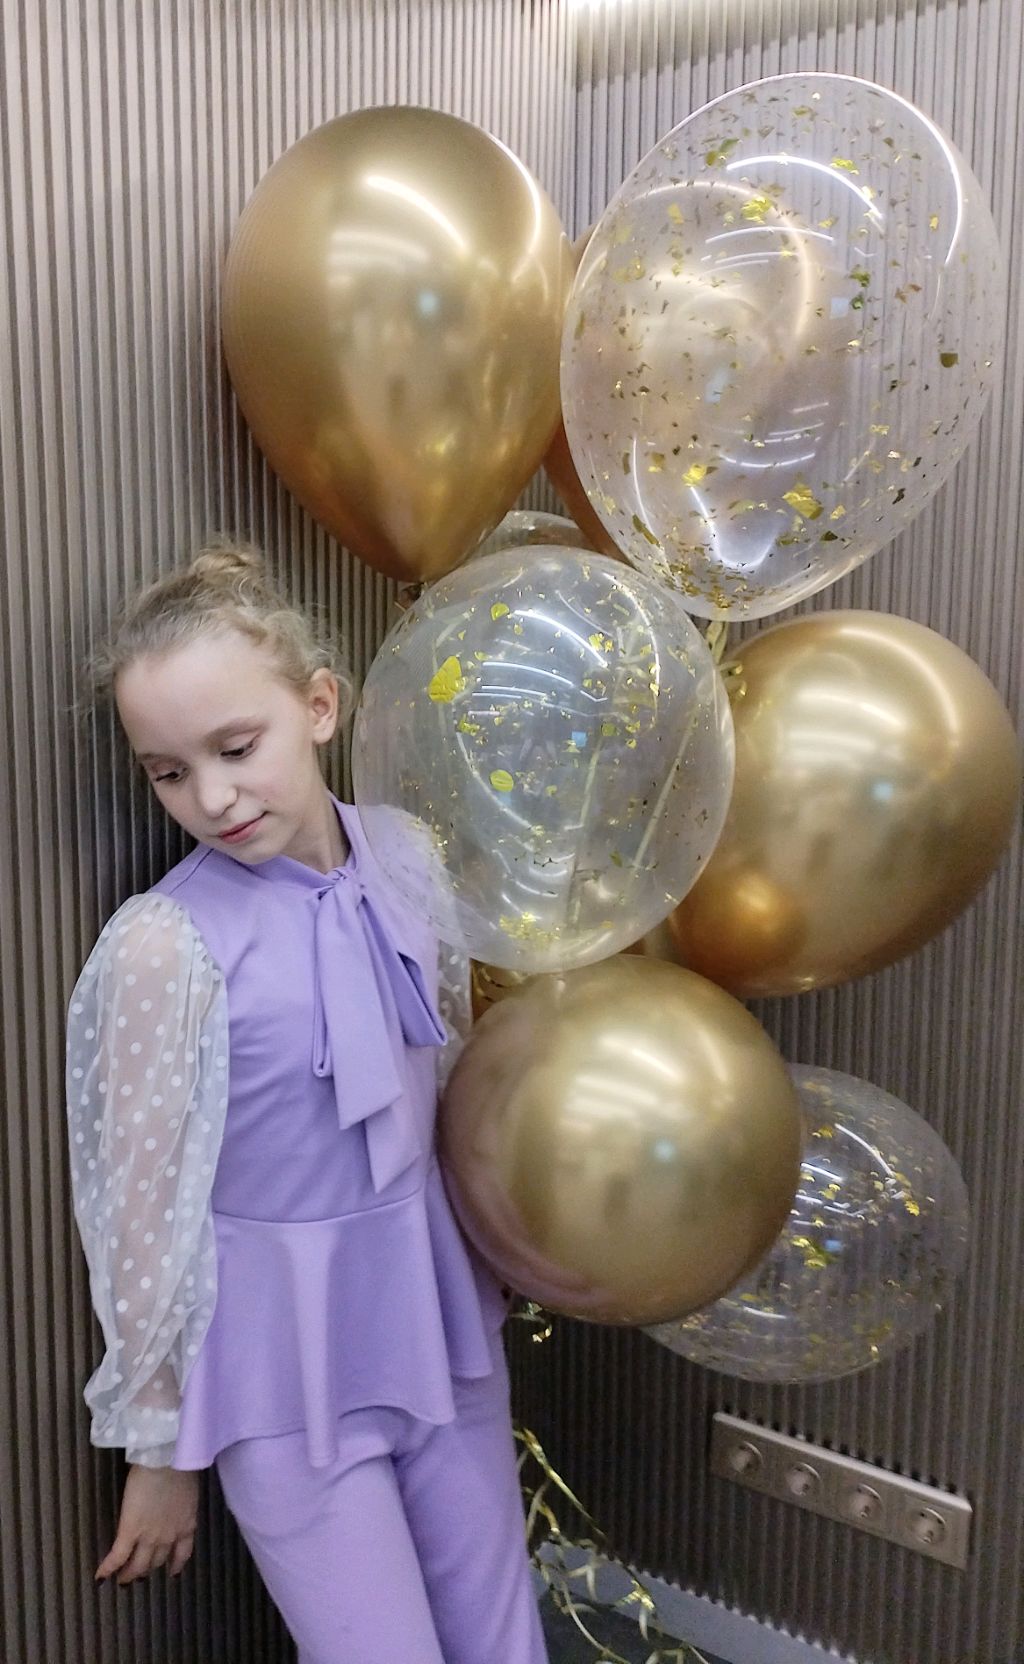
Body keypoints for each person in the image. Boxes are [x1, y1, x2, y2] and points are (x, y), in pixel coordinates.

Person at [66, 543, 549, 1664]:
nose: (212, 798)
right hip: (280, 1367)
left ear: (319, 706)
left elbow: (454, 1083)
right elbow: (139, 1220)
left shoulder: (408, 859)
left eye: (237, 748)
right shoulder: (163, 945)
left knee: (502, 1635)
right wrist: (159, 1449)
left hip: (436, 1319)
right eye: (168, 773)